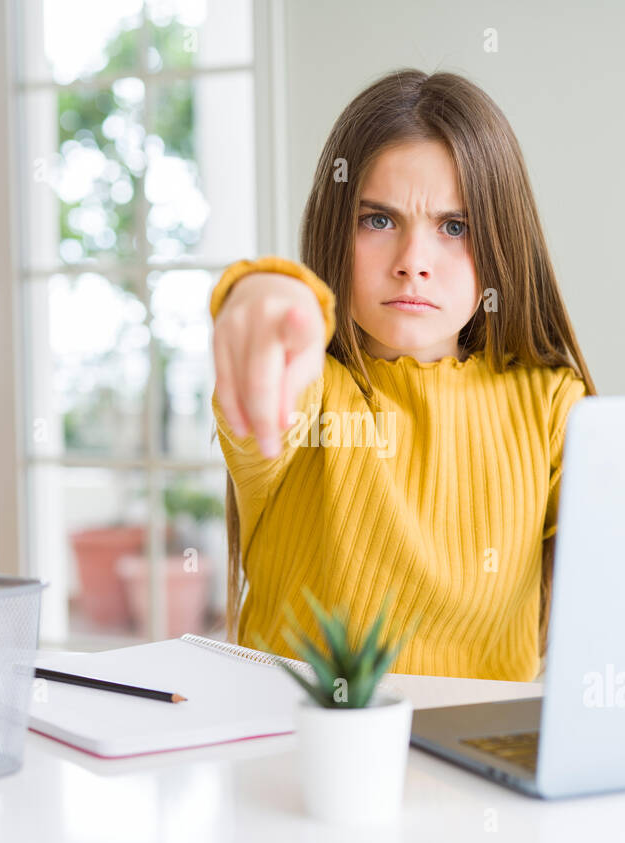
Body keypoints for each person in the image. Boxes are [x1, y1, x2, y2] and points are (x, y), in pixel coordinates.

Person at [209, 69, 595, 682]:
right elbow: (272, 340)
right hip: (295, 756)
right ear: (336, 228)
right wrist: (260, 291)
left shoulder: (550, 405)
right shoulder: (308, 394)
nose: (413, 263)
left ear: (502, 241)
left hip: (480, 769)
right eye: (379, 221)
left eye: (454, 226)